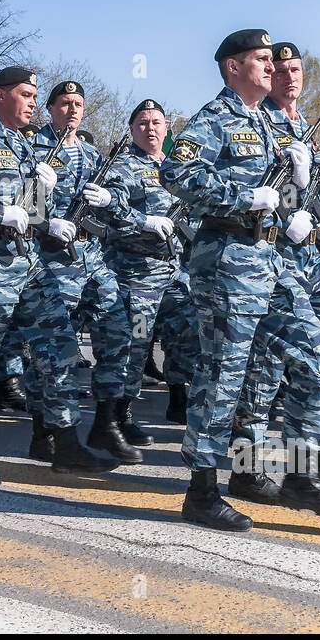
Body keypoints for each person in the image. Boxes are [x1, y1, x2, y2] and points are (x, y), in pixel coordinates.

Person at [161, 31, 320, 531]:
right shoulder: (213, 119)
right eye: (261, 60)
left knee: (319, 359)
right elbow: (176, 175)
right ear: (232, 68)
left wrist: (315, 189)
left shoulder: (273, 122)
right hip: (226, 257)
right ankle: (202, 491)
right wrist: (242, 195)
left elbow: (288, 199)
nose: (272, 67)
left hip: (274, 258)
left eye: (273, 60)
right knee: (222, 376)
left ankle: (302, 477)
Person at [0, 65, 116, 488]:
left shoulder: (25, 143)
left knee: (59, 344)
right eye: (26, 95)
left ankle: (65, 441)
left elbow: (27, 206)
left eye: (35, 96)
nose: (34, 103)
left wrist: (45, 217)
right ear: (0, 96)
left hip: (29, 261)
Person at [233, 44, 320, 497]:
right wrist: (280, 217)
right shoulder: (256, 124)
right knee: (265, 371)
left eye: (296, 70)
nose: (289, 77)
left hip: (311, 259)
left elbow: (316, 203)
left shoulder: (303, 129)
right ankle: (251, 469)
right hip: (268, 261)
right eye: (280, 69)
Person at [31, 81, 138, 464]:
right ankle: (50, 434)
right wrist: (46, 222)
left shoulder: (94, 155)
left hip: (94, 260)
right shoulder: (33, 149)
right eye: (64, 103)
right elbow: (15, 205)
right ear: (50, 108)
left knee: (119, 334)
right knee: (55, 352)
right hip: (51, 263)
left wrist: (111, 198)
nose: (72, 109)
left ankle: (105, 424)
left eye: (77, 104)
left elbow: (124, 203)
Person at [99, 98, 198, 447]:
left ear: (167, 127)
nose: (150, 127)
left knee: (188, 330)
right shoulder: (122, 167)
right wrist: (145, 222)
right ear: (131, 130)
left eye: (157, 122)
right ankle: (120, 415)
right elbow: (110, 212)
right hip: (136, 274)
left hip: (176, 271)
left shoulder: (177, 168)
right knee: (136, 344)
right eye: (142, 123)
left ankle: (178, 395)